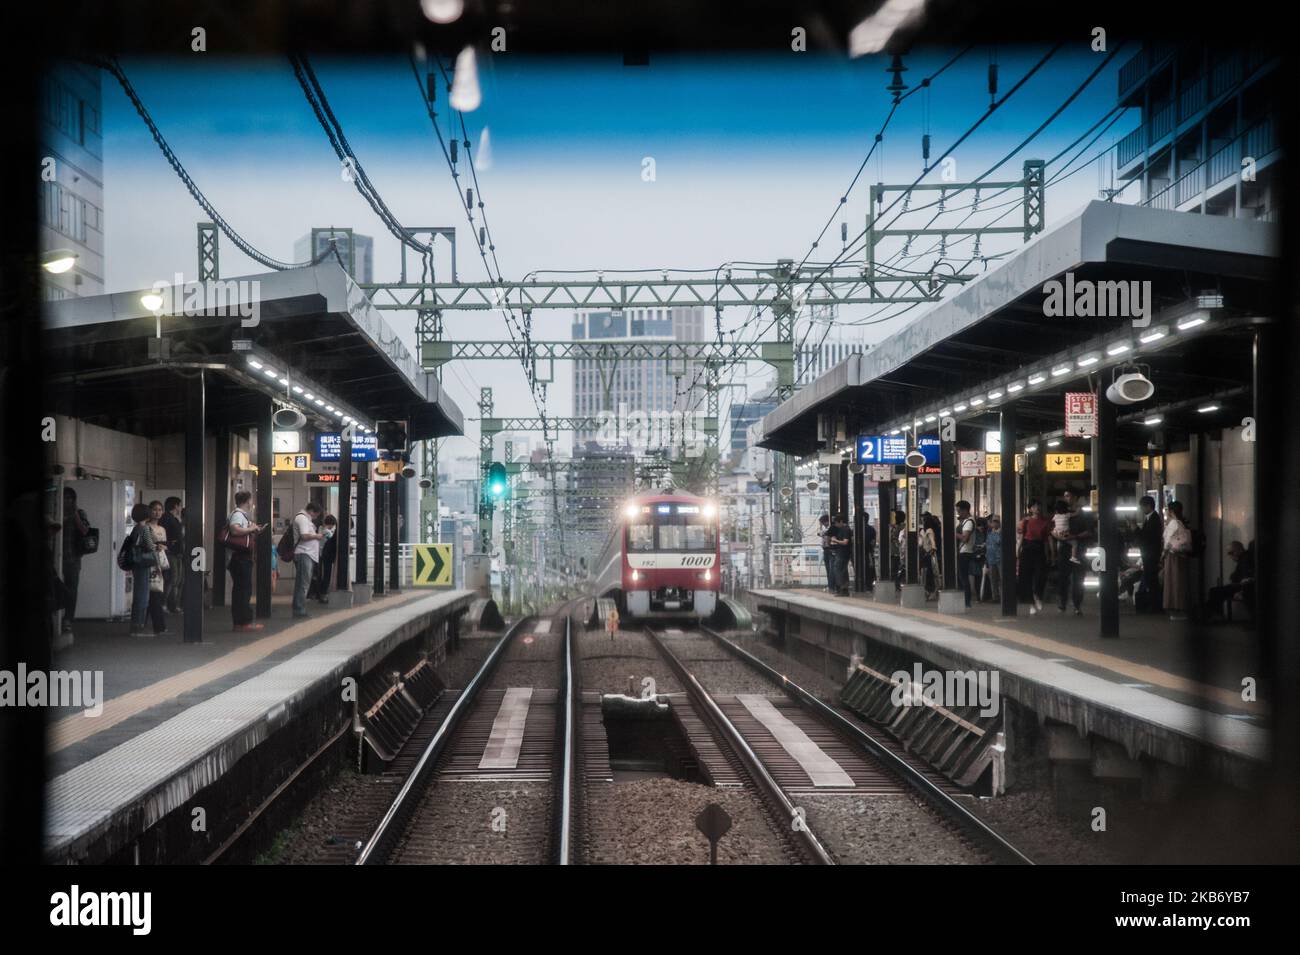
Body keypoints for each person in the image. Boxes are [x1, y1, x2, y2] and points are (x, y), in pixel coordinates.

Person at [226, 490, 266, 632]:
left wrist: (253, 529)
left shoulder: (240, 515)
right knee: (243, 591)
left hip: (241, 558)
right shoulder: (237, 515)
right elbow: (235, 530)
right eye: (251, 500)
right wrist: (251, 528)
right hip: (240, 558)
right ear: (248, 501)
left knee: (241, 590)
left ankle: (241, 622)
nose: (252, 502)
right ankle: (243, 622)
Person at [60, 486, 91, 638]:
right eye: (64, 497)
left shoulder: (79, 513)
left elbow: (85, 530)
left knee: (71, 589)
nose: (67, 501)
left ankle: (67, 619)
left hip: (72, 558)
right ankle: (56, 617)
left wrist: (74, 515)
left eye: (69, 498)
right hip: (54, 558)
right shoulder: (54, 512)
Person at [126, 502, 160, 636]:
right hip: (144, 563)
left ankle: (135, 625)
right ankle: (139, 626)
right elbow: (151, 546)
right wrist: (157, 560)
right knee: (143, 595)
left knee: (138, 594)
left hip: (136, 563)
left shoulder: (135, 528)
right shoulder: (144, 528)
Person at [1016, 500, 1051, 614]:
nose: (1037, 508)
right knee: (1026, 577)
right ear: (1030, 509)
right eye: (1034, 506)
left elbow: (1046, 540)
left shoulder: (1045, 522)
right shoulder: (1025, 522)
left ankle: (1037, 596)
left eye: (1038, 506)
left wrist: (1049, 554)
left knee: (1040, 575)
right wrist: (1018, 550)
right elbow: (1021, 537)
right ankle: (1031, 603)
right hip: (1027, 548)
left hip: (1039, 548)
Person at [1206, 540, 1255, 620]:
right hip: (1241, 585)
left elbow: (1245, 578)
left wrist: (1241, 590)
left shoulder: (1245, 559)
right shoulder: (1243, 559)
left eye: (1231, 553)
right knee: (1215, 592)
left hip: (1242, 586)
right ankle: (1214, 613)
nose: (1230, 556)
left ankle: (1215, 615)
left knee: (1215, 592)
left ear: (1239, 549)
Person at [291, 502, 325, 619]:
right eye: (316, 515)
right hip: (304, 553)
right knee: (303, 583)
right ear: (311, 511)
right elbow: (304, 536)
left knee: (303, 582)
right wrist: (317, 536)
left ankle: (299, 608)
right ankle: (299, 609)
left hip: (307, 554)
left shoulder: (305, 519)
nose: (315, 517)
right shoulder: (302, 518)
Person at [1161, 500, 1192, 621]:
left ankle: (1176, 608)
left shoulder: (1174, 523)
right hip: (1179, 555)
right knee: (1178, 581)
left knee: (1174, 582)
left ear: (1171, 511)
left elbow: (1168, 541)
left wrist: (1164, 552)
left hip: (1173, 555)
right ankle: (1179, 608)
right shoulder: (1180, 523)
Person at [1135, 495, 1164, 613]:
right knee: (1151, 580)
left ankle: (1155, 606)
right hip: (1150, 554)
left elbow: (1147, 537)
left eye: (1142, 507)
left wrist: (1135, 529)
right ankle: (1153, 605)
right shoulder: (1150, 518)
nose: (1141, 509)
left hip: (1151, 555)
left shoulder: (1154, 519)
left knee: (1152, 581)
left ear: (1148, 506)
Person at [161, 496, 184, 613]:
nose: (181, 507)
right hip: (170, 553)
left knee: (176, 580)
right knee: (171, 579)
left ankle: (173, 604)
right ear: (175, 506)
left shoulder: (173, 519)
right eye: (180, 505)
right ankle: (166, 604)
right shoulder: (167, 518)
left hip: (176, 553)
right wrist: (170, 543)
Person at [955, 501, 976, 608]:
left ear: (965, 510)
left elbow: (965, 538)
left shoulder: (969, 522)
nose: (958, 513)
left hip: (965, 552)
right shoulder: (965, 521)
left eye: (959, 511)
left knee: (963, 577)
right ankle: (965, 600)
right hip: (963, 551)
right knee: (962, 576)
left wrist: (953, 533)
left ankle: (966, 601)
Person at [313, 514, 339, 604]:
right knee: (326, 575)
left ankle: (318, 594)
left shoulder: (320, 529)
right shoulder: (327, 532)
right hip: (325, 555)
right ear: (331, 523)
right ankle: (323, 594)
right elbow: (332, 541)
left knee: (320, 575)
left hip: (319, 554)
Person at [829, 515, 853, 596]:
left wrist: (835, 540)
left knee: (838, 570)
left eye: (836, 523)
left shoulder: (846, 529)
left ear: (841, 521)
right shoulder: (842, 529)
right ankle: (844, 589)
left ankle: (842, 589)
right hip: (842, 552)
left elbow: (845, 542)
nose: (836, 525)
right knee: (843, 570)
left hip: (843, 553)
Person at [920, 513, 941, 600]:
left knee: (930, 574)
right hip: (927, 554)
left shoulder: (929, 530)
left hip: (929, 554)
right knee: (929, 573)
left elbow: (932, 542)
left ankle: (931, 591)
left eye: (923, 520)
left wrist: (933, 547)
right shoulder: (926, 530)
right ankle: (930, 592)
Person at [982, 515, 1003, 603]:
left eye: (996, 521)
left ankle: (1004, 596)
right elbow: (988, 544)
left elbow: (999, 541)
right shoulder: (989, 533)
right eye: (993, 521)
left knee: (1002, 578)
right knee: (993, 579)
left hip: (1000, 558)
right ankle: (995, 597)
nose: (994, 523)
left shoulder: (1001, 533)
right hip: (991, 558)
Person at [861, 512, 877, 593]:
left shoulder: (856, 529)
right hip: (869, 552)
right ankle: (869, 587)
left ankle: (861, 586)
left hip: (858, 554)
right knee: (869, 570)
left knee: (860, 569)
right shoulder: (871, 529)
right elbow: (873, 543)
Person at [817, 514, 834, 592]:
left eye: (823, 522)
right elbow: (820, 533)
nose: (823, 524)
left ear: (827, 521)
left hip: (829, 549)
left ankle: (832, 586)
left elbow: (820, 533)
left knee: (830, 569)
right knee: (828, 569)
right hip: (825, 550)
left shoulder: (829, 529)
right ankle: (830, 585)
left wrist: (820, 527)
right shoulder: (826, 529)